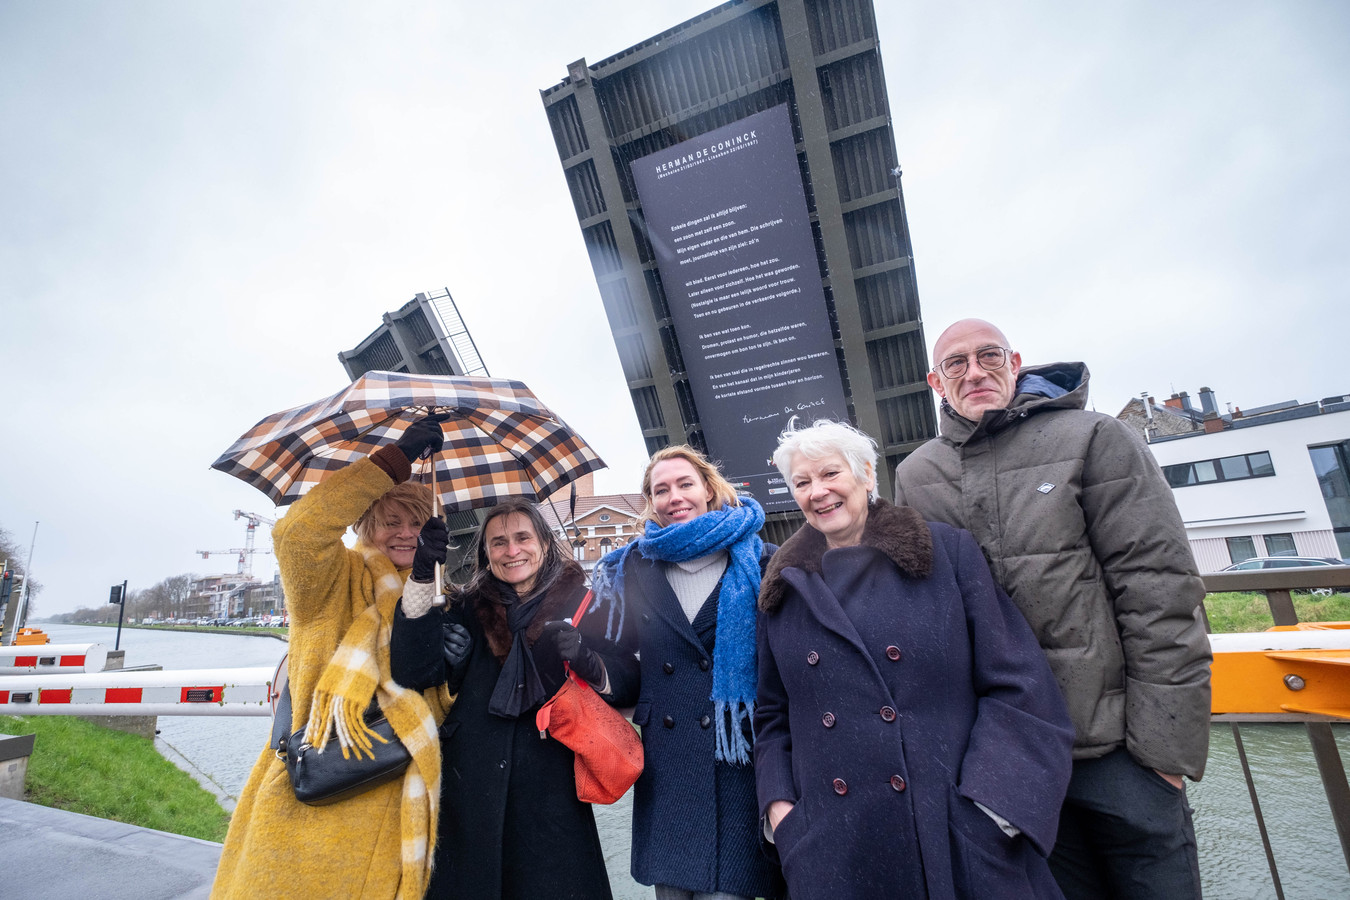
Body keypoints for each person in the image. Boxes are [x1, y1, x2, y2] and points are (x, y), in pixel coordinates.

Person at [893, 318, 1213, 899]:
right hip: (1014, 759)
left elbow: (1160, 592)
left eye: (988, 357)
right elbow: (925, 615)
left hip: (1122, 753)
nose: (974, 372)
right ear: (935, 383)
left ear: (1016, 364)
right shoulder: (917, 476)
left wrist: (1165, 754)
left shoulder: (1095, 438)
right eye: (955, 364)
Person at [756, 418, 1075, 900]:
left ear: (866, 473)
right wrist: (782, 814)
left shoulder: (945, 552)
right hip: (835, 844)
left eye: (830, 474)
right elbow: (773, 713)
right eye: (802, 483)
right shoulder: (782, 587)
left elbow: (1018, 682)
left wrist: (994, 810)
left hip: (955, 833)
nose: (817, 492)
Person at [212, 415, 455, 899]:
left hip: (399, 800)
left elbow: (430, 704)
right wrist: (395, 460)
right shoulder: (331, 579)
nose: (406, 533)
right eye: (392, 522)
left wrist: (451, 670)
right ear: (367, 524)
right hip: (320, 799)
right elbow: (297, 533)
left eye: (417, 523)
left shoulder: (438, 596)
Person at [389, 496, 639, 900]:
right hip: (472, 789)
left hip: (553, 792)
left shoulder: (585, 603)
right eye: (498, 542)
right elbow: (411, 670)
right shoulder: (467, 605)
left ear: (543, 542)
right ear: (486, 554)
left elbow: (629, 681)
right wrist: (421, 574)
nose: (512, 551)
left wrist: (588, 660)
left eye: (522, 537)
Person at [590, 445, 784, 900]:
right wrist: (588, 661)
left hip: (737, 756)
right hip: (669, 763)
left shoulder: (761, 560)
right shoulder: (634, 567)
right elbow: (621, 664)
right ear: (650, 501)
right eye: (661, 489)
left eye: (684, 484)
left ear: (709, 488)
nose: (674, 496)